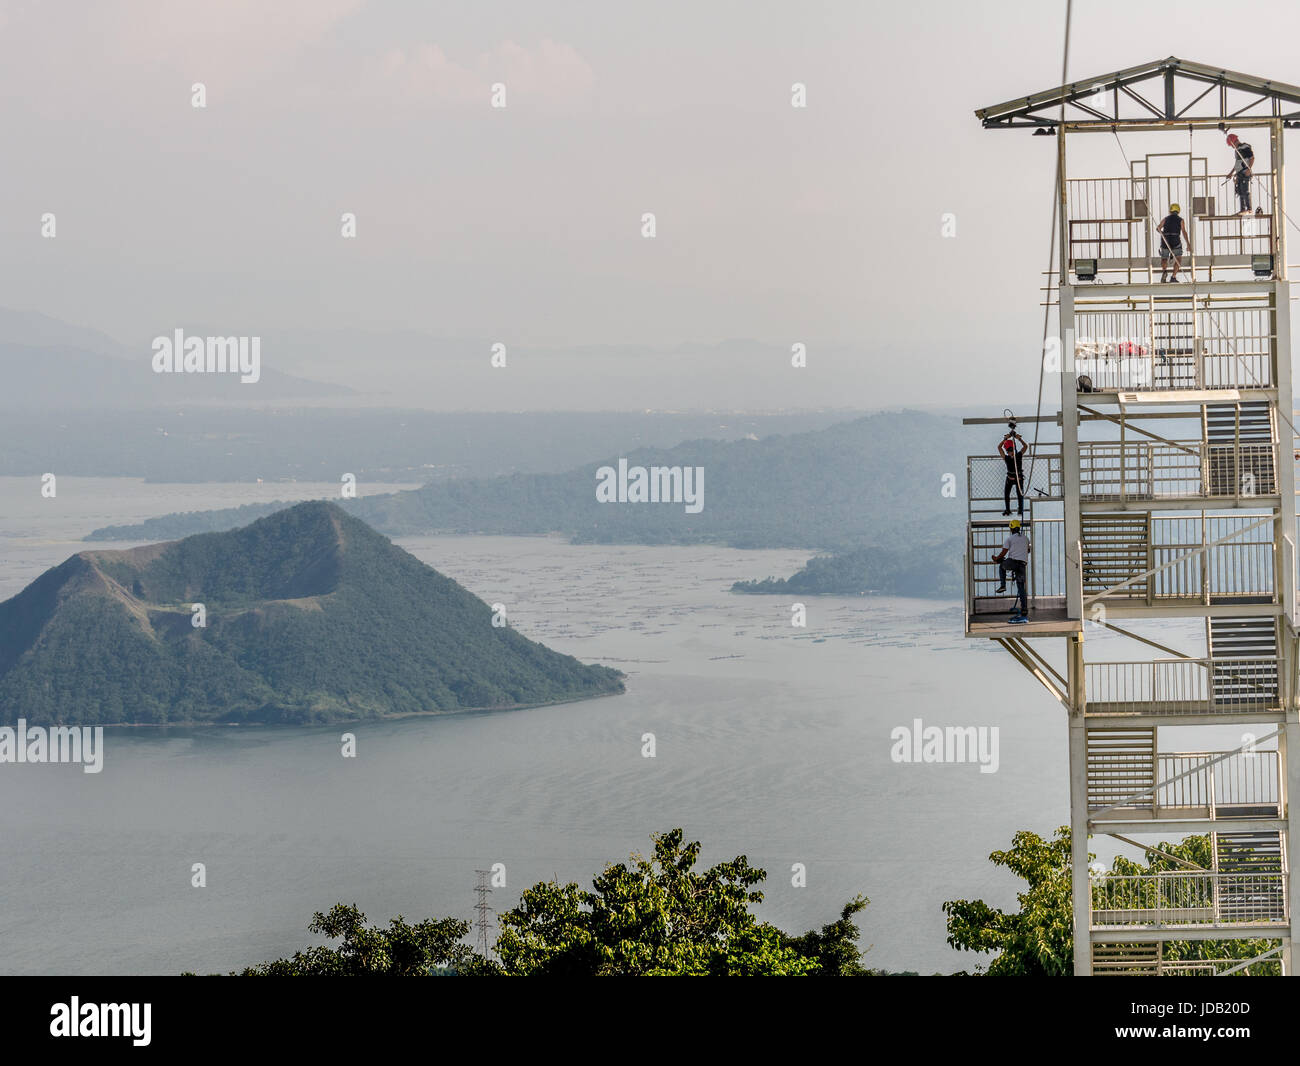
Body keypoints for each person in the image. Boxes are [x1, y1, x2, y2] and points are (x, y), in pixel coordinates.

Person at [991, 518, 1031, 620]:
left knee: (1001, 566)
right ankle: (1024, 609)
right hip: (1022, 564)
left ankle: (1003, 585)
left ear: (1011, 528)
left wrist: (996, 559)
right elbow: (1028, 550)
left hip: (1012, 562)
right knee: (1021, 587)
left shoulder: (1009, 539)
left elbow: (1003, 553)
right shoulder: (1026, 538)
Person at [1155, 204, 1190, 283]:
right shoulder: (1180, 220)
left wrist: (1164, 233)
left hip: (1165, 241)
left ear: (1170, 211)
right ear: (1178, 211)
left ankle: (1164, 271)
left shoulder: (1165, 219)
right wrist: (1188, 244)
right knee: (1178, 258)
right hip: (1175, 241)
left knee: (1164, 258)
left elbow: (1158, 228)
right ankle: (1173, 276)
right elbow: (1184, 232)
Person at [998, 426, 1028, 517]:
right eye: (1008, 451)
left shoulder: (1017, 456)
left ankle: (1020, 510)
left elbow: (1025, 446)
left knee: (1020, 495)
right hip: (1011, 478)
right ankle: (1008, 510)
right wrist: (1006, 439)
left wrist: (1018, 439)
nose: (1010, 452)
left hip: (1017, 478)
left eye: (1011, 450)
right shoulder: (1009, 457)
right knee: (1007, 494)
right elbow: (999, 448)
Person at [1226, 133, 1254, 214]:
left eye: (1231, 145)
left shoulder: (1245, 147)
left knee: (1245, 190)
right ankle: (1243, 209)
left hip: (1245, 171)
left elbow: (1252, 158)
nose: (1232, 147)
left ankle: (1249, 208)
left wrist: (1249, 169)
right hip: (1239, 173)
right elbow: (1237, 164)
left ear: (1234, 141)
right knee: (1240, 191)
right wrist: (1231, 173)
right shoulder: (1237, 150)